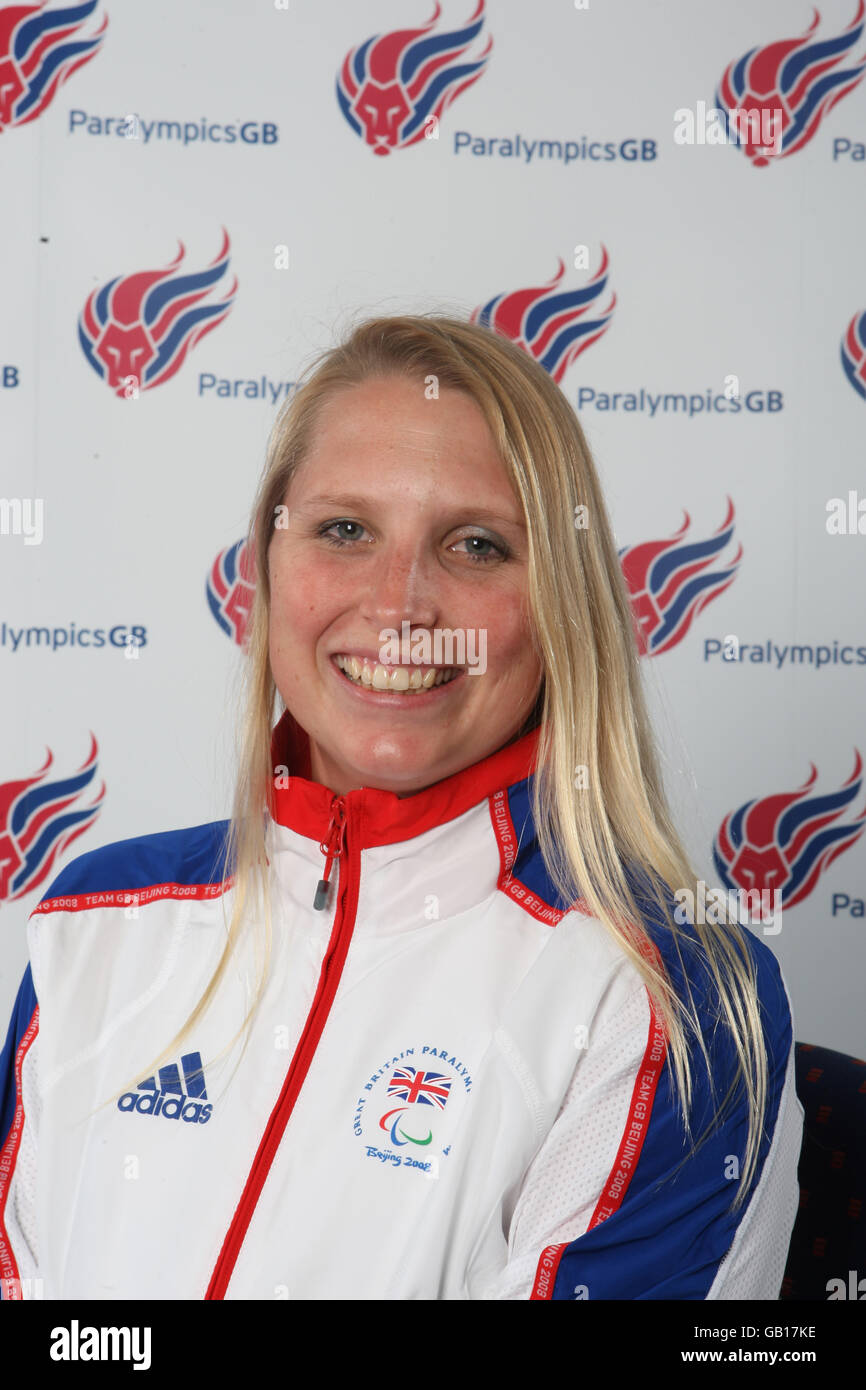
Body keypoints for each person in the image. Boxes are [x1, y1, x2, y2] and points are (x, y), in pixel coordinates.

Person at [0, 313, 802, 1301]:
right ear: (267, 566)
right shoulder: (99, 921)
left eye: (474, 544)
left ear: (561, 604)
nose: (399, 603)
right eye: (344, 530)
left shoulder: (660, 992)